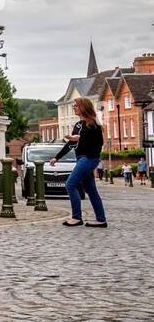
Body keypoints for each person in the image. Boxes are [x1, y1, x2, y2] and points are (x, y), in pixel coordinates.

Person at [50, 97, 106, 227]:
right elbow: (71, 143)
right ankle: (101, 219)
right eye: (73, 105)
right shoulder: (78, 124)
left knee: (70, 184)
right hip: (81, 159)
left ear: (83, 107)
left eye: (76, 105)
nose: (74, 107)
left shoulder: (93, 124)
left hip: (89, 159)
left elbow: (97, 142)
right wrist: (57, 157)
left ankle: (76, 217)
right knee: (91, 190)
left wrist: (79, 137)